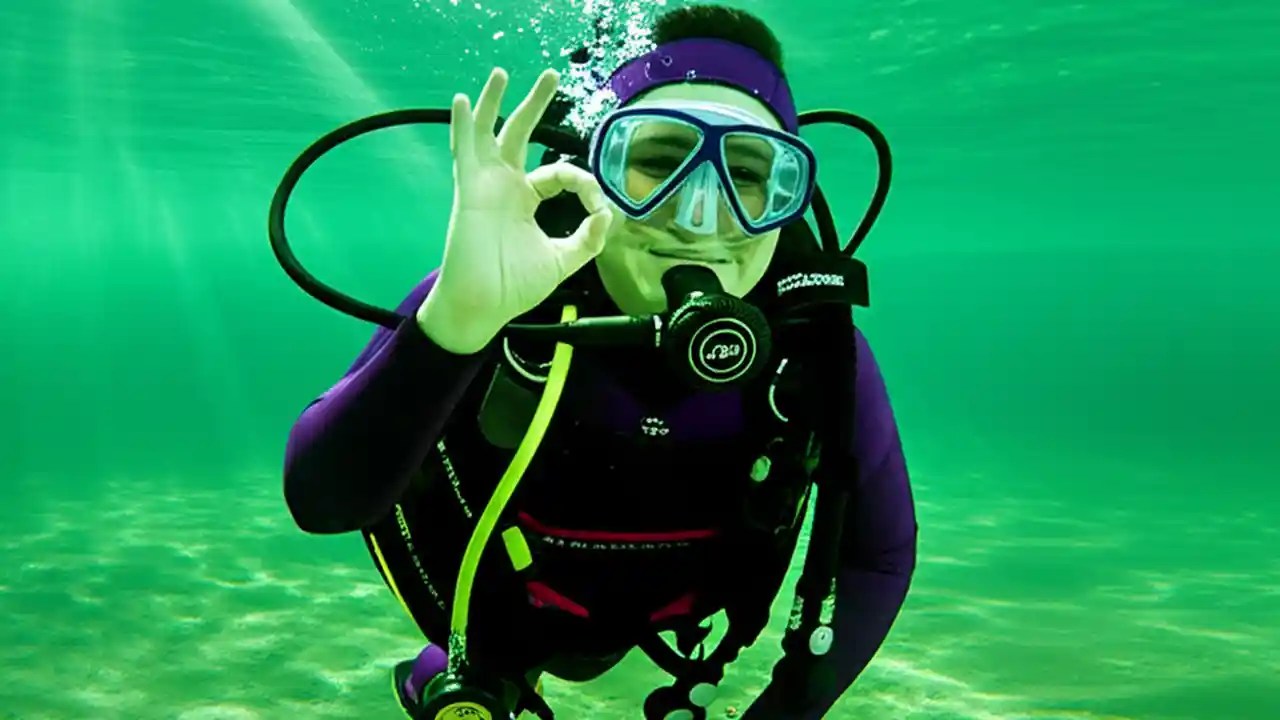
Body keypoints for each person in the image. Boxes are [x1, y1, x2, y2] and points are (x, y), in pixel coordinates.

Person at [281, 4, 917, 719]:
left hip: (680, 624)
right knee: (481, 681)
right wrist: (452, 325)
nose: (700, 217)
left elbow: (881, 556)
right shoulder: (496, 299)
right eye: (654, 162)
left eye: (746, 173)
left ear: (787, 198)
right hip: (499, 616)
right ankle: (476, 676)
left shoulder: (816, 350)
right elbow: (323, 500)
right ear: (594, 173)